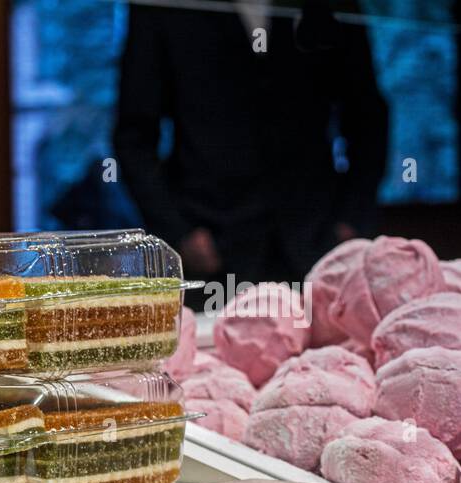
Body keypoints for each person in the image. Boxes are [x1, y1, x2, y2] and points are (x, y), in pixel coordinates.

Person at [114, 0, 388, 285]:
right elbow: (135, 135)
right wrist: (178, 232)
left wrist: (351, 219)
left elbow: (367, 115)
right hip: (213, 244)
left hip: (316, 240)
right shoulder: (164, 5)